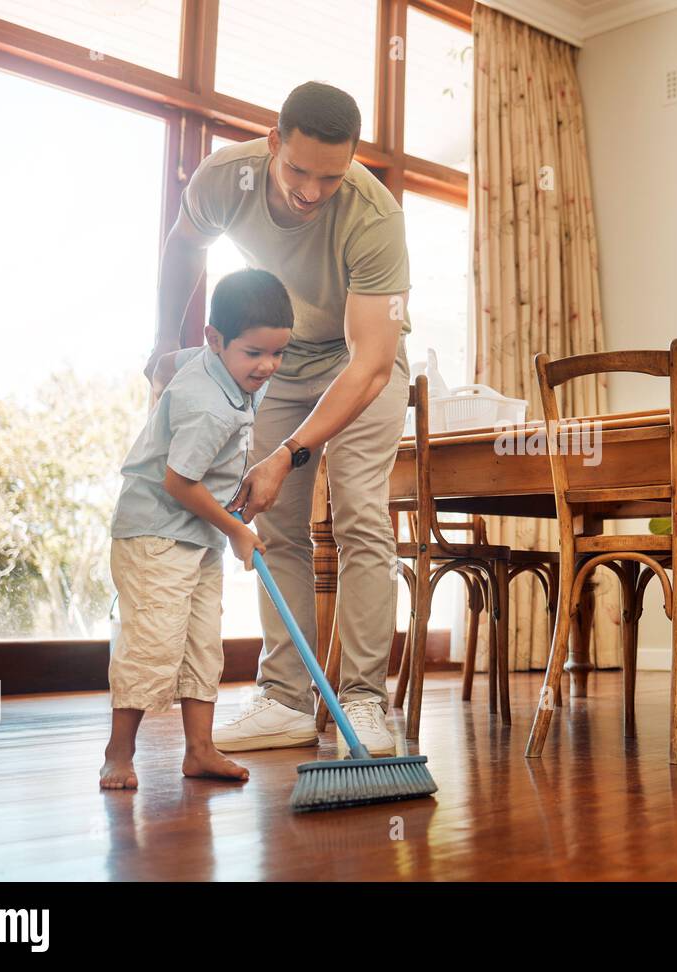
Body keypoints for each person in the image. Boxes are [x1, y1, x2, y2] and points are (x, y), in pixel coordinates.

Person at [144, 82, 411, 758]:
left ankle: (365, 702)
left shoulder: (373, 214)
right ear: (272, 144)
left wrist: (287, 452)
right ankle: (287, 700)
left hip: (358, 365)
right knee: (277, 527)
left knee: (358, 516)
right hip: (282, 362)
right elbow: (184, 249)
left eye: (332, 174)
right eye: (298, 170)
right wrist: (162, 350)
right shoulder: (224, 180)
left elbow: (372, 363)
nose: (313, 190)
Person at [102, 268, 293, 790]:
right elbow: (178, 482)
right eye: (254, 353)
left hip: (196, 532)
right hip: (156, 533)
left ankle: (200, 751)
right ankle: (118, 755)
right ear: (216, 339)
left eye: (278, 352)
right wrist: (236, 528)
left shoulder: (219, 365)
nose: (268, 366)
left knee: (203, 642)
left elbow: (170, 363)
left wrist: (160, 370)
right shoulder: (208, 407)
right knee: (152, 644)